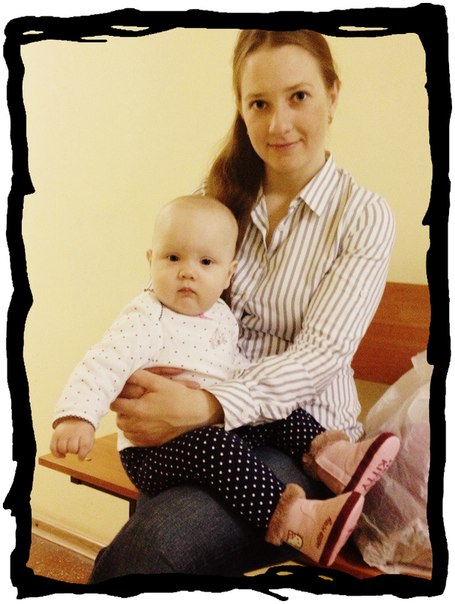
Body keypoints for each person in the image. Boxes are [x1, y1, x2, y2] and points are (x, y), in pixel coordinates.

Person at [88, 29, 398, 581]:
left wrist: (207, 404)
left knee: (149, 551)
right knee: (144, 548)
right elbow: (162, 299)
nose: (279, 124)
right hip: (196, 426)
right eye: (259, 103)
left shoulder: (363, 217)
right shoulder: (218, 195)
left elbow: (320, 355)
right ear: (241, 107)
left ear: (332, 94)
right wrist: (140, 382)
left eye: (298, 96)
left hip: (301, 440)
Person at [51, 193, 399, 568]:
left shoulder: (220, 316)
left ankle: (336, 459)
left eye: (205, 262)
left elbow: (243, 370)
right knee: (201, 463)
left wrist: (219, 403)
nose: (187, 272)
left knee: (279, 410)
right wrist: (77, 417)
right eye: (173, 258)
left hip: (221, 429)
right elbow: (102, 363)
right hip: (155, 452)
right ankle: (296, 521)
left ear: (228, 274)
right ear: (151, 261)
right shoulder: (145, 316)